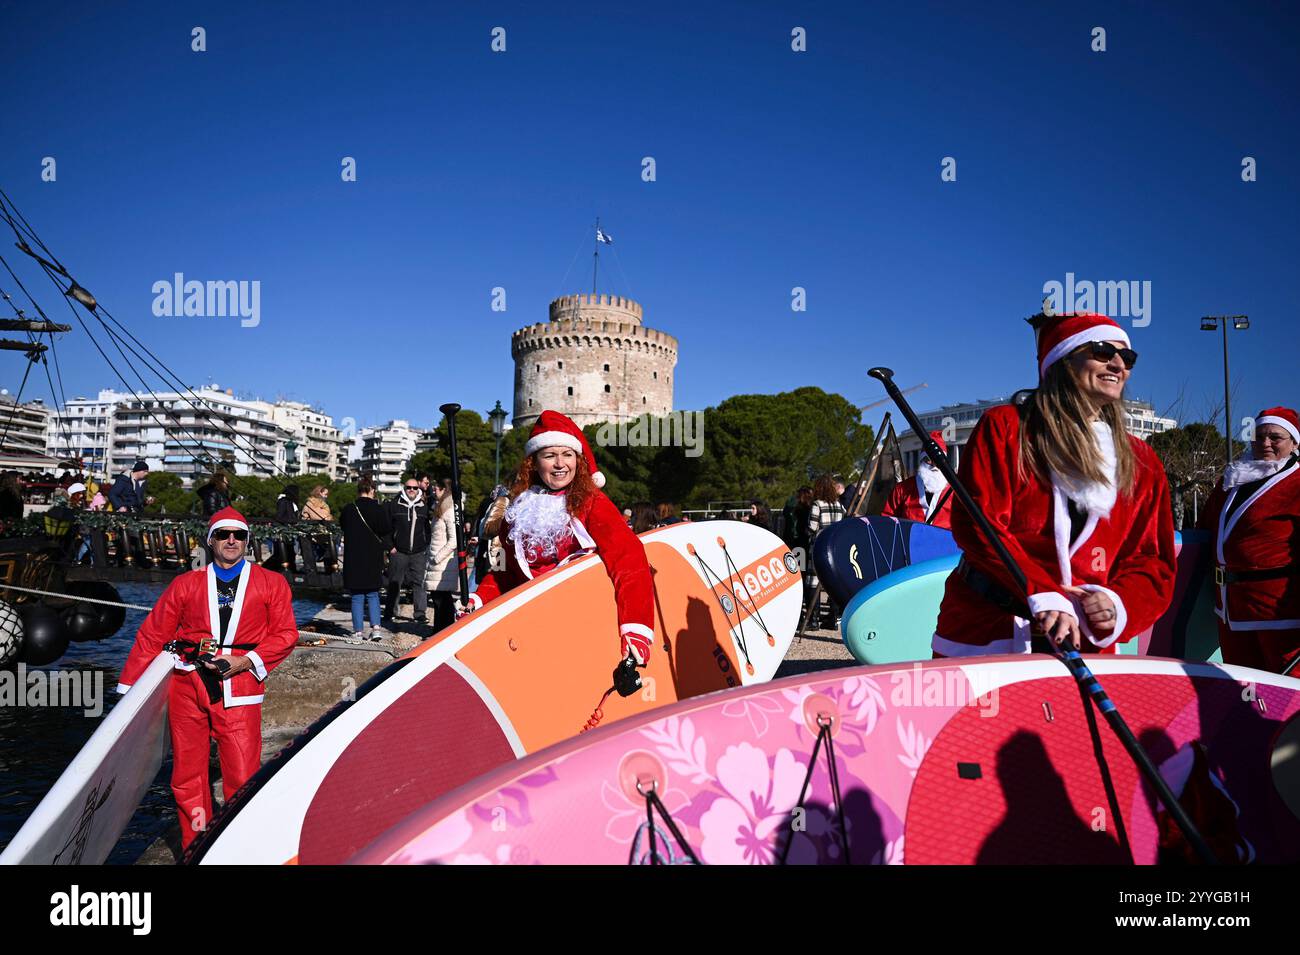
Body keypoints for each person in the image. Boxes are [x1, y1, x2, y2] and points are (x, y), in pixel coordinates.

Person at [933, 312, 1176, 658]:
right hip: (988, 630)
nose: (1119, 363)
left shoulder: (1142, 461)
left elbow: (1152, 560)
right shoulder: (1006, 428)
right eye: (1104, 351)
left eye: (1128, 357)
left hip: (1085, 645)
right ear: (1064, 359)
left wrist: (1116, 605)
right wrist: (1041, 592)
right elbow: (979, 523)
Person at [115, 507, 299, 849]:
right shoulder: (185, 584)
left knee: (242, 776)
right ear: (210, 539)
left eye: (239, 535)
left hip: (241, 687)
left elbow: (285, 634)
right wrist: (128, 694)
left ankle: (239, 848)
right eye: (224, 534)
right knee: (187, 776)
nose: (232, 541)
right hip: (187, 684)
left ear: (247, 541)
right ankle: (194, 846)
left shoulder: (272, 583)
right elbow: (153, 635)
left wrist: (245, 662)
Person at [465, 410, 655, 686]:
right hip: (530, 633)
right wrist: (478, 600)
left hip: (583, 628)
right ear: (534, 463)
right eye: (549, 455)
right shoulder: (519, 509)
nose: (559, 464)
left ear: (578, 461)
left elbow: (629, 562)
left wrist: (635, 630)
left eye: (567, 455)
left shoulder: (592, 503)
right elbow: (504, 571)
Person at [1199, 407, 1300, 673]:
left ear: (1294, 443)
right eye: (1258, 436)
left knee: (1288, 698)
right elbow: (1205, 528)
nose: (1265, 443)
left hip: (1281, 615)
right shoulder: (1233, 479)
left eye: (1275, 437)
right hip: (1229, 609)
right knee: (1242, 693)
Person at [339, 477, 391, 641]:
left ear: (359, 490)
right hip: (373, 557)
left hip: (354, 558)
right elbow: (385, 529)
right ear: (372, 490)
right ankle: (376, 629)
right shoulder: (378, 509)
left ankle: (358, 632)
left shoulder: (348, 509)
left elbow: (343, 526)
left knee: (356, 596)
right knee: (373, 594)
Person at [882, 431, 955, 529]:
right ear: (922, 460)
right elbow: (887, 520)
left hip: (944, 543)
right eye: (929, 459)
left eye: (938, 460)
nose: (934, 465)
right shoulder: (902, 489)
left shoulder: (955, 491)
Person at [384, 477, 431, 623]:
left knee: (420, 583)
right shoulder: (395, 505)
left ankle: (420, 613)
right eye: (409, 487)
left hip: (418, 551)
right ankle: (390, 611)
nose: (411, 490)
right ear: (404, 488)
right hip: (398, 551)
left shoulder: (424, 506)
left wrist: (425, 545)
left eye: (415, 488)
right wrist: (390, 546)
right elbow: (386, 528)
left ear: (419, 489)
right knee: (394, 582)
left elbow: (427, 529)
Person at [807, 475, 847, 628]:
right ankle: (833, 618)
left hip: (819, 546)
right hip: (835, 548)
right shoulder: (839, 505)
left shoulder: (817, 505)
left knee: (813, 582)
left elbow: (812, 527)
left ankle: (814, 619)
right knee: (833, 582)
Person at [426, 480, 462, 633]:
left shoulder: (449, 510)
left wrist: (437, 558)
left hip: (442, 562)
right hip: (436, 561)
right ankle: (439, 630)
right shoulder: (440, 508)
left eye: (436, 488)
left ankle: (443, 631)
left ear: (444, 490)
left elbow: (454, 540)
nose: (434, 491)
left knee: (443, 599)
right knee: (438, 598)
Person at [273, 484, 301, 571]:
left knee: (290, 552)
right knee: (284, 552)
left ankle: (291, 569)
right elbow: (279, 516)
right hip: (284, 531)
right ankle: (287, 569)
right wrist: (291, 521)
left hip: (289, 531)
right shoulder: (284, 501)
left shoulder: (290, 501)